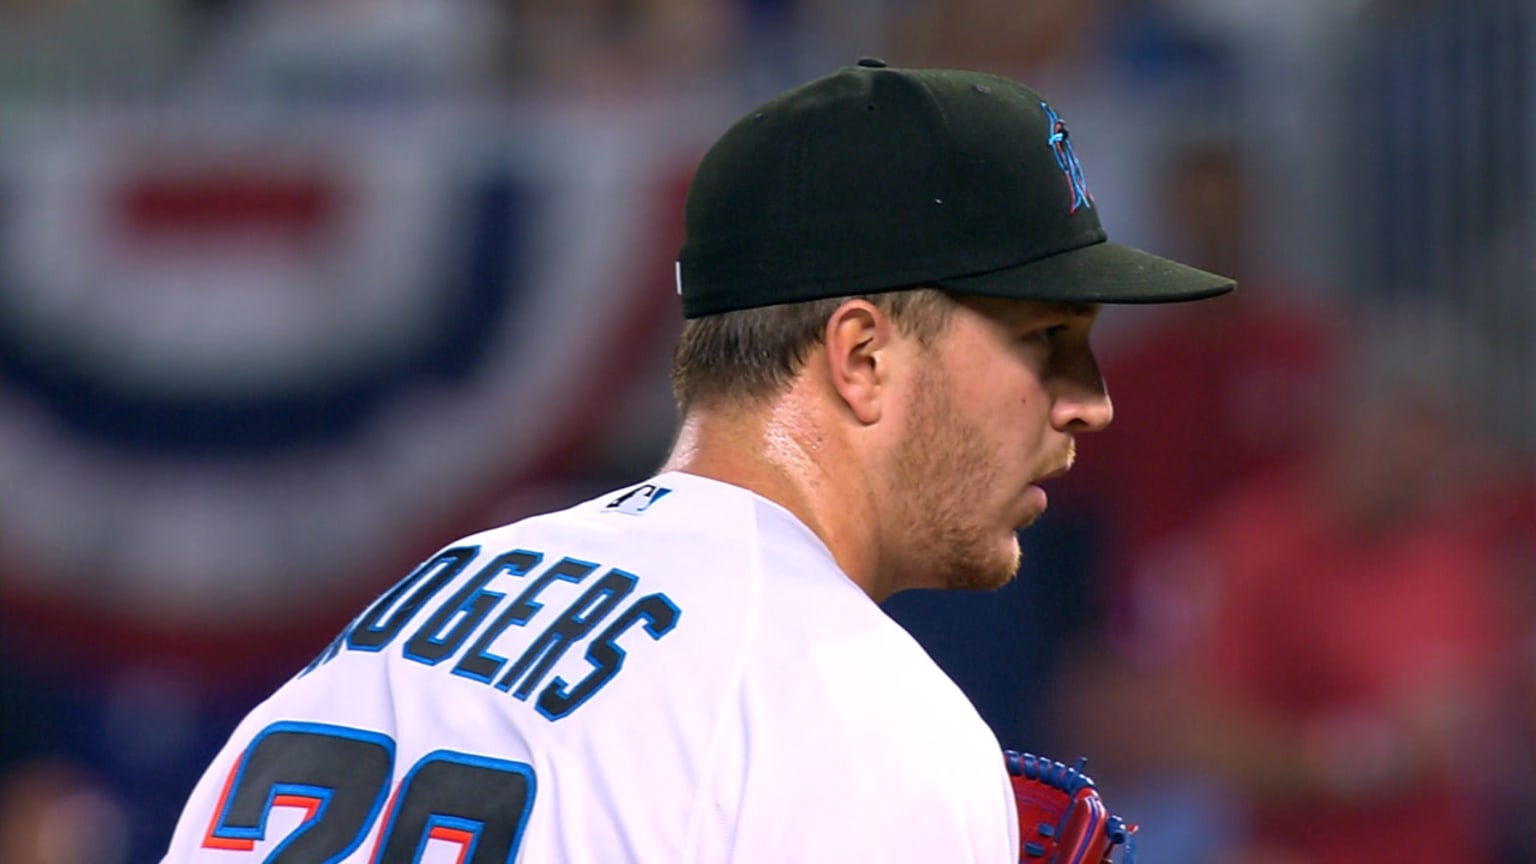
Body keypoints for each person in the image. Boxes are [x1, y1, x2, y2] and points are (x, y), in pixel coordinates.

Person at [158, 58, 1232, 862]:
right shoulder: (853, 713)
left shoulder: (419, 609)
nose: (1091, 400)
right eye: (1046, 341)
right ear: (862, 356)